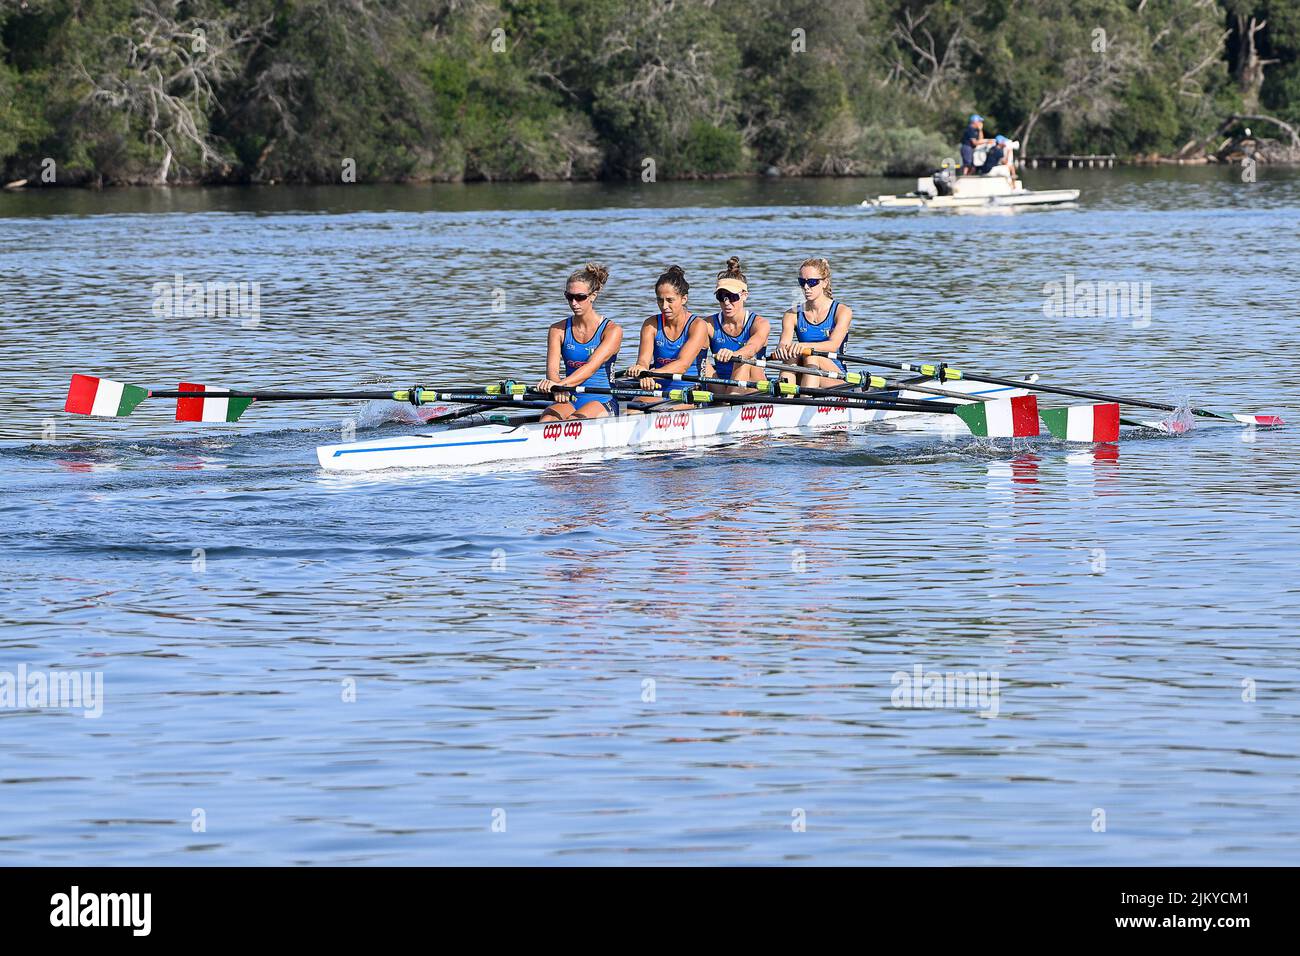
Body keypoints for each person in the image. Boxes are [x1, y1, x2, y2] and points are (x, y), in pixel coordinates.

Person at [537, 263, 623, 421]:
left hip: (602, 400)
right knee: (546, 421)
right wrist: (557, 388)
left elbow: (590, 368)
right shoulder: (557, 330)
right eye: (569, 297)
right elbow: (552, 371)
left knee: (573, 422)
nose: (574, 303)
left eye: (580, 297)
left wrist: (562, 385)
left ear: (593, 296)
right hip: (570, 397)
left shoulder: (612, 331)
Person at [626, 265, 710, 411]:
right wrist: (641, 369)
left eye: (670, 300)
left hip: (689, 391)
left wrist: (650, 374)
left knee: (665, 411)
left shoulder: (698, 325)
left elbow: (682, 364)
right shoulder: (650, 324)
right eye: (660, 300)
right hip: (658, 387)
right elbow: (644, 361)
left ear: (684, 299)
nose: (664, 306)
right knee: (632, 410)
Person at [772, 258, 853, 389]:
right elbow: (784, 343)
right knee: (790, 357)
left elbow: (833, 345)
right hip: (807, 374)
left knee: (811, 356)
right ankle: (785, 398)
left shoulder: (842, 311)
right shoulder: (791, 314)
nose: (806, 287)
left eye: (812, 282)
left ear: (825, 282)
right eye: (802, 282)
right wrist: (782, 348)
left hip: (837, 379)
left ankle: (805, 399)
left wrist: (803, 346)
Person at [706, 257, 771, 395]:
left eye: (732, 297)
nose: (727, 303)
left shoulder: (760, 324)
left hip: (754, 388)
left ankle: (730, 401)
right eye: (721, 296)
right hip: (721, 389)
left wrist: (734, 354)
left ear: (744, 295)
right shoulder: (708, 324)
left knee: (745, 359)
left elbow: (752, 347)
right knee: (702, 363)